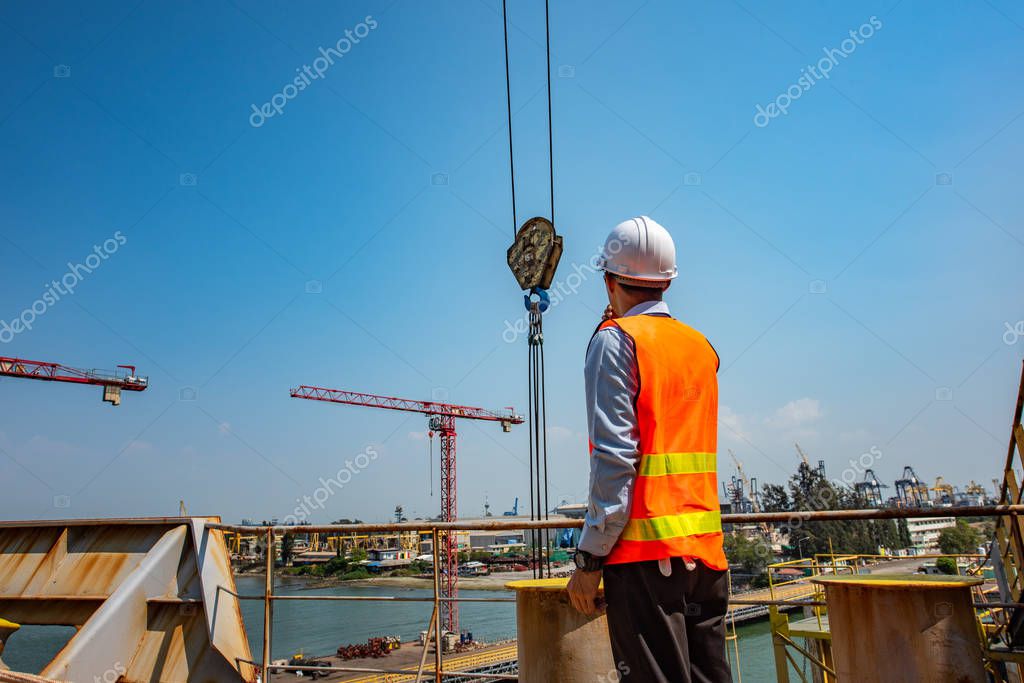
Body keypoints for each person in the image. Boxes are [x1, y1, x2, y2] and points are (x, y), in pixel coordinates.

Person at [566, 216, 731, 682]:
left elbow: (615, 459)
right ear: (667, 282)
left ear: (609, 281)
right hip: (706, 556)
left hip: (644, 558)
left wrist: (589, 559)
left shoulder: (614, 342)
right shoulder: (701, 346)